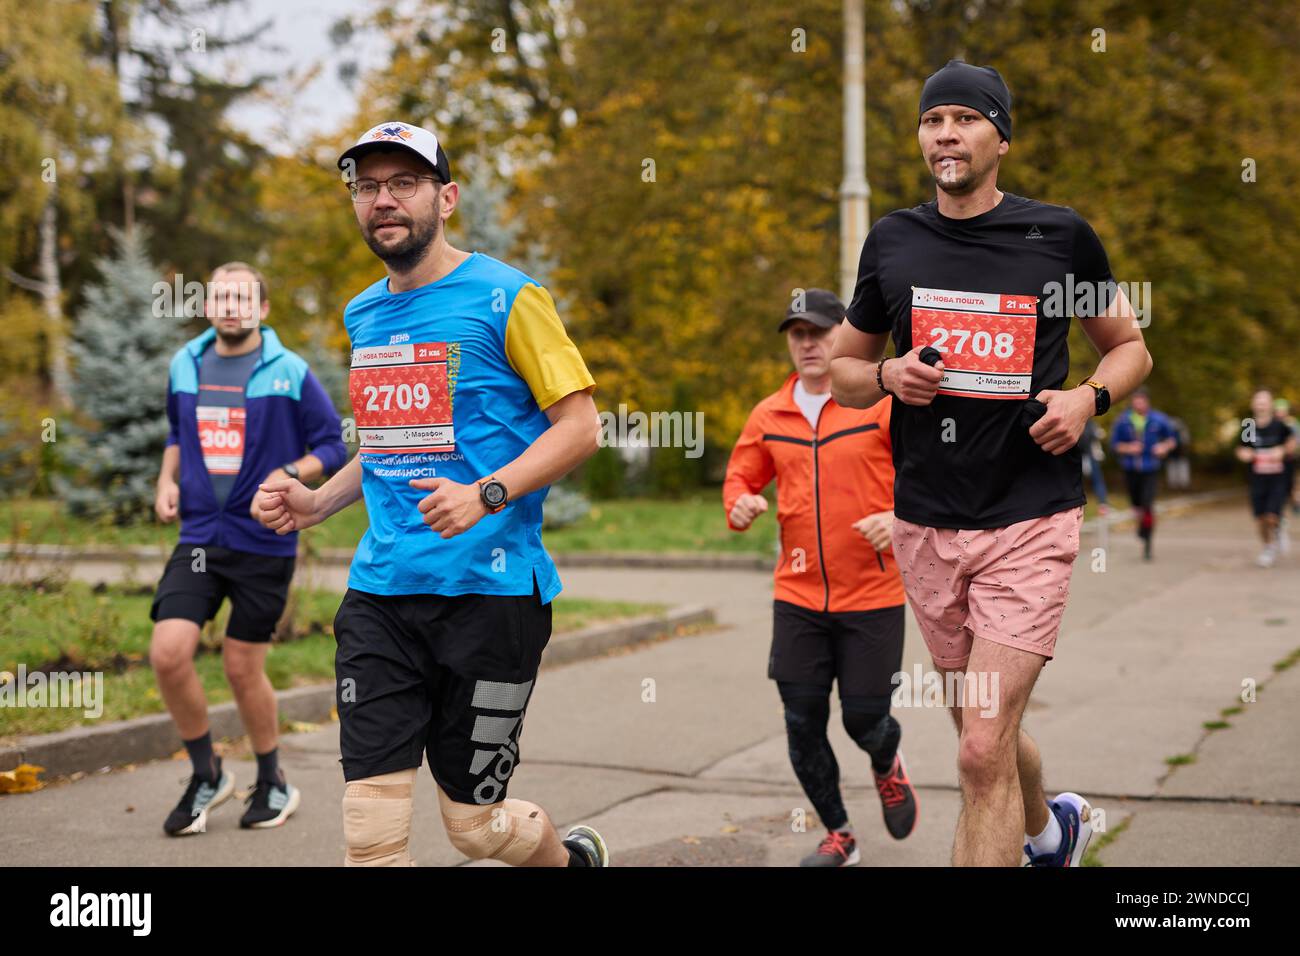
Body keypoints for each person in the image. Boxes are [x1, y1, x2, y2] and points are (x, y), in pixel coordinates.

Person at [254, 121, 608, 867]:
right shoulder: (363, 313)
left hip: (493, 598)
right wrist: (318, 502)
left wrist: (487, 492)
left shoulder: (510, 297)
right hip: (382, 595)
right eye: (368, 186)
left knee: (477, 829)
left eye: (404, 183)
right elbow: (390, 443)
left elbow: (580, 428)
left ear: (445, 199)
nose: (383, 200)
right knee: (371, 832)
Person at [829, 60, 1153, 866]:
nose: (947, 133)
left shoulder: (1058, 237)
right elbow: (840, 370)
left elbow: (1129, 348)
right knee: (986, 735)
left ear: (1000, 137)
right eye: (933, 119)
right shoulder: (894, 241)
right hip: (928, 523)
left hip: (1030, 516)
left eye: (966, 119)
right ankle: (1052, 831)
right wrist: (884, 378)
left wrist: (1086, 400)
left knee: (978, 750)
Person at [151, 262, 348, 835]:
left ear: (262, 309)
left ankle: (272, 779)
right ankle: (207, 772)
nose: (231, 305)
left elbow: (333, 445)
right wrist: (167, 480)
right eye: (221, 297)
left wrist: (290, 471)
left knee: (242, 667)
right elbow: (174, 436)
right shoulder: (184, 364)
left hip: (264, 538)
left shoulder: (288, 371)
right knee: (168, 652)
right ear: (208, 305)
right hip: (199, 539)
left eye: (243, 297)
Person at [723, 288, 917, 867]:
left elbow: (925, 479)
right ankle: (840, 835)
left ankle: (886, 762)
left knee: (865, 717)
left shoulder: (878, 405)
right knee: (801, 719)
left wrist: (897, 516)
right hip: (798, 596)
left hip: (873, 594)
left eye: (820, 332)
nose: (808, 343)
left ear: (842, 337)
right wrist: (739, 505)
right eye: (797, 333)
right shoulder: (769, 414)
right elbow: (741, 479)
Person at [1110, 389, 1178, 561]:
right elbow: (1114, 445)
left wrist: (1163, 447)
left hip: (1151, 468)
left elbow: (1172, 440)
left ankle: (1147, 541)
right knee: (1136, 506)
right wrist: (1128, 448)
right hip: (1130, 469)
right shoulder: (1123, 420)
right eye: (1136, 401)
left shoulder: (1159, 419)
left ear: (1147, 402)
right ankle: (1141, 527)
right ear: (1132, 402)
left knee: (1148, 505)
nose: (1139, 404)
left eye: (1142, 401)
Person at [1236, 390, 1296, 567]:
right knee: (1261, 518)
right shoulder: (1249, 425)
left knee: (1271, 515)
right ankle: (1268, 545)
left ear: (1271, 405)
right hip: (1257, 479)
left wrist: (1283, 451)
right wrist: (1245, 455)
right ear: (1253, 405)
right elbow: (1242, 448)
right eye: (1258, 401)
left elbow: (1291, 443)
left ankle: (1274, 536)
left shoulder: (1280, 425)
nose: (1261, 404)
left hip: (1277, 478)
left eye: (1265, 401)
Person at [1076, 418, 1110, 515]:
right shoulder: (1076, 420)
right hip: (1078, 456)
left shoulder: (1090, 422)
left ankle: (1103, 504)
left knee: (1097, 480)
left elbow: (1096, 435)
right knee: (1077, 482)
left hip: (1090, 456)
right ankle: (1077, 506)